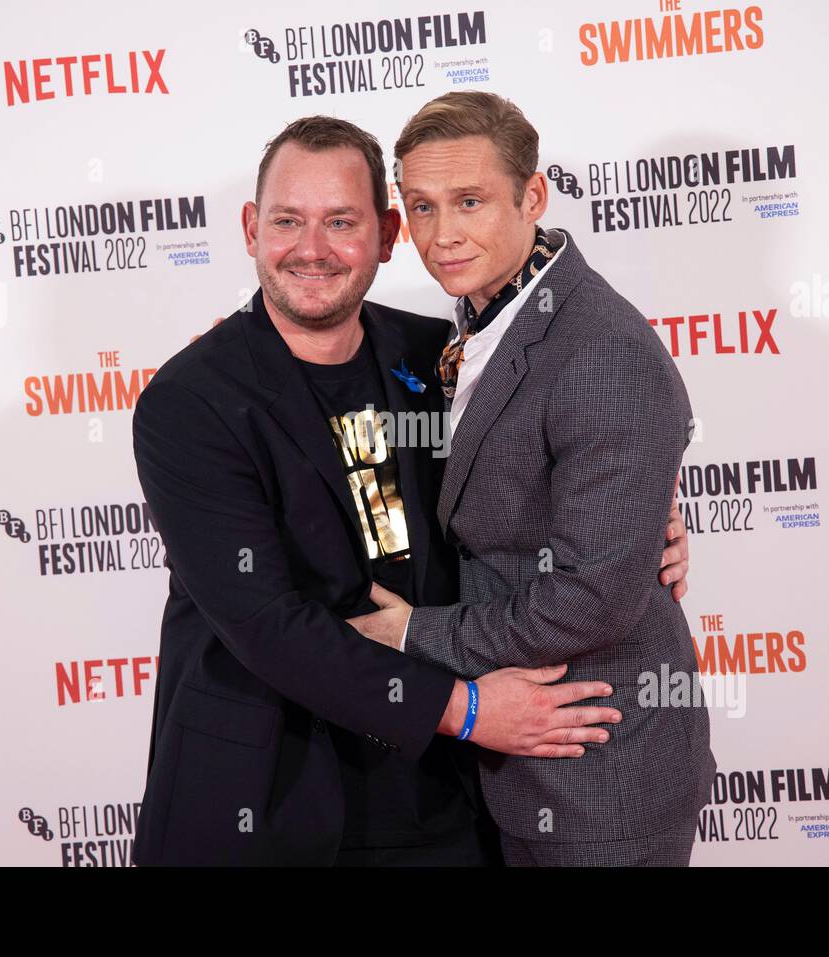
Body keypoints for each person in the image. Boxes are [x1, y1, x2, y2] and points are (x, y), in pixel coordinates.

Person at [129, 115, 692, 866]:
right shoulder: (191, 402)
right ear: (250, 228)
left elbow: (538, 485)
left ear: (386, 234)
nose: (311, 248)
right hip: (268, 797)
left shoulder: (439, 357)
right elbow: (267, 623)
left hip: (442, 804)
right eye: (288, 220)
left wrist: (646, 518)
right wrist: (470, 710)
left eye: (342, 222)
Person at [347, 91, 715, 866]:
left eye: (470, 201)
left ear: (534, 195)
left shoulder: (599, 349)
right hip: (507, 771)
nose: (442, 235)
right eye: (421, 206)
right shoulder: (480, 319)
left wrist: (412, 633)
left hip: (599, 774)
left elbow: (587, 597)